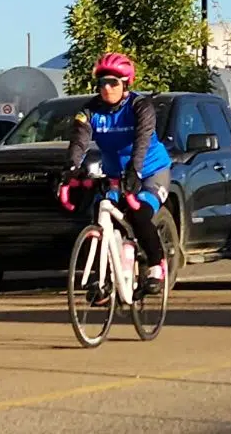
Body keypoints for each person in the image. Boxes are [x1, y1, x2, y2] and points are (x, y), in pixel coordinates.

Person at [64, 52, 172, 294]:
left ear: (126, 84)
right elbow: (79, 141)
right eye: (102, 83)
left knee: (139, 213)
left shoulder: (140, 106)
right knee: (101, 216)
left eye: (113, 82)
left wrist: (134, 169)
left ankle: (156, 265)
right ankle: (103, 278)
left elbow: (142, 140)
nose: (107, 88)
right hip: (116, 174)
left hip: (151, 171)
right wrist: (71, 168)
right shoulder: (90, 110)